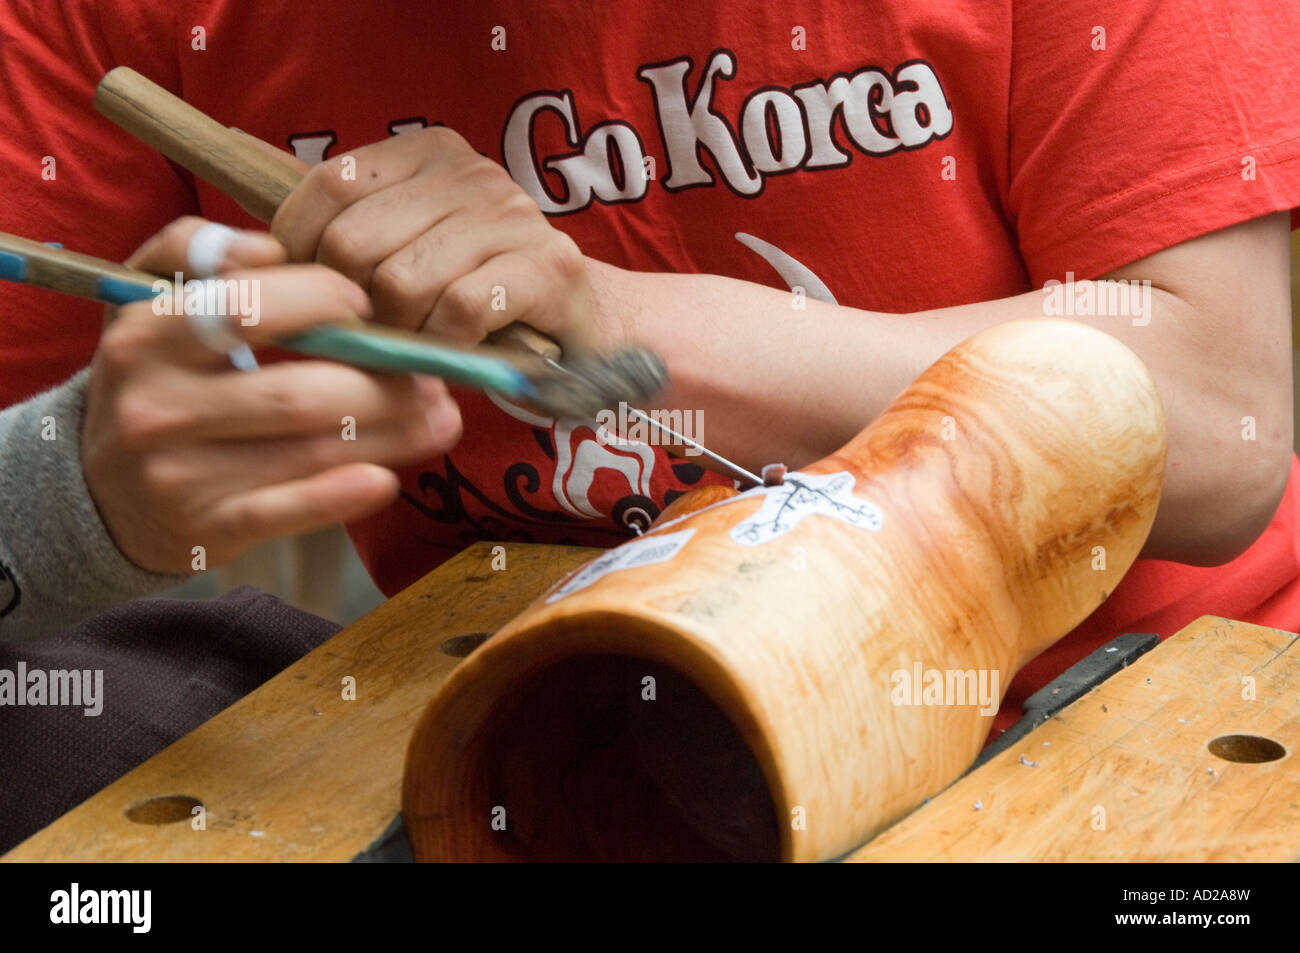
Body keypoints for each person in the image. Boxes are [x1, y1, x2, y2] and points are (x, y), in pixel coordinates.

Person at [0, 0, 1297, 844]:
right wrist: (89, 490)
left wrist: (620, 327)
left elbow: (1219, 418)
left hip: (1119, 701)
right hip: (577, 732)